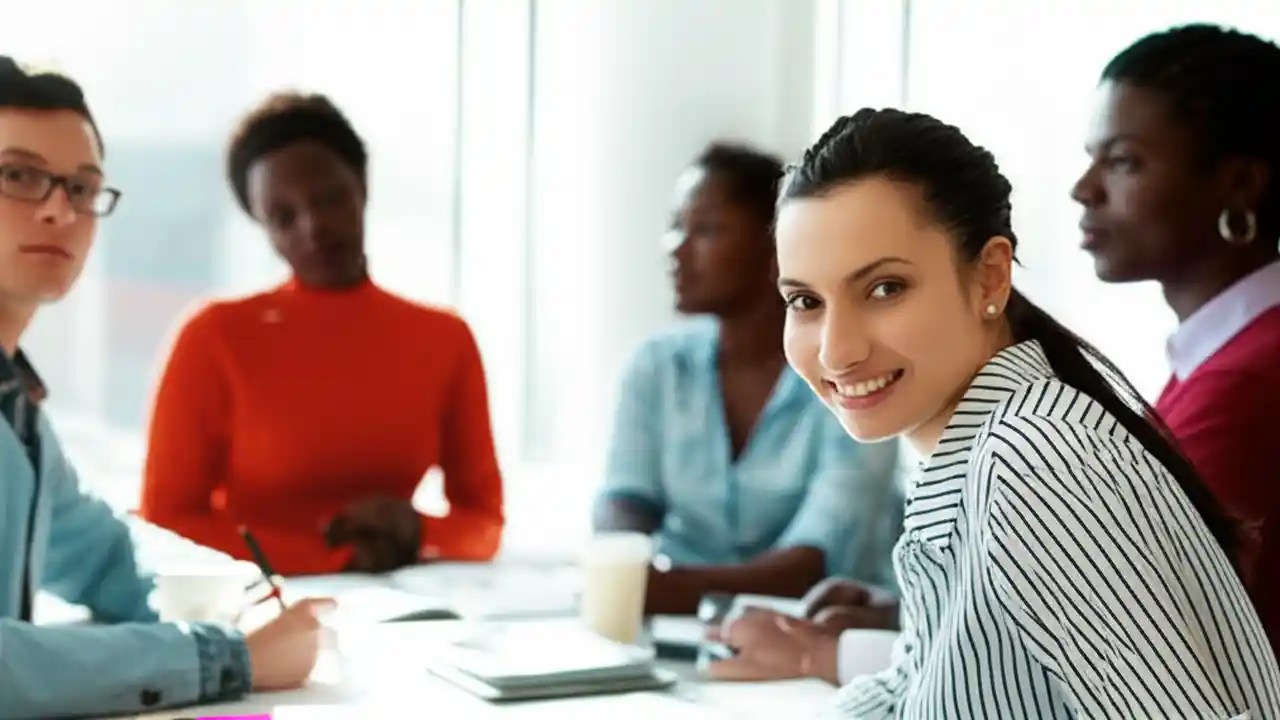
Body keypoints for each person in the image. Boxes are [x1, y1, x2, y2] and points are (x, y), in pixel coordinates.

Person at [714, 108, 1279, 718]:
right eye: (806, 301)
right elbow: (905, 693)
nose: (836, 350)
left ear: (989, 278)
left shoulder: (1034, 460)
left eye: (884, 289)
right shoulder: (974, 453)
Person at [0, 58, 330, 718]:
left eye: (82, 186)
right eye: (19, 176)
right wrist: (224, 656)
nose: (60, 209)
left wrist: (241, 598)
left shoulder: (18, 410)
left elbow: (105, 555)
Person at [141, 92, 504, 575]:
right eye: (283, 216)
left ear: (363, 187)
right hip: (254, 606)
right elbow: (166, 521)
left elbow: (484, 525)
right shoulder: (213, 337)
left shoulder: (445, 338)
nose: (313, 226)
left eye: (330, 198)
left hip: (403, 611)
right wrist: (329, 559)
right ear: (261, 226)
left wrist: (418, 531)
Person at [595, 142, 901, 615]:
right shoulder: (656, 366)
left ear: (777, 248)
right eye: (677, 226)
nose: (676, 249)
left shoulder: (853, 376)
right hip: (681, 632)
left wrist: (659, 588)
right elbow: (626, 499)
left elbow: (811, 565)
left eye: (707, 230)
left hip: (819, 638)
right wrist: (620, 561)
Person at [1071, 23, 1280, 657]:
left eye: (1124, 160)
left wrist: (838, 652)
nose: (1085, 189)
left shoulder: (1248, 382)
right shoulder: (1222, 356)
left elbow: (1124, 630)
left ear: (1239, 184)